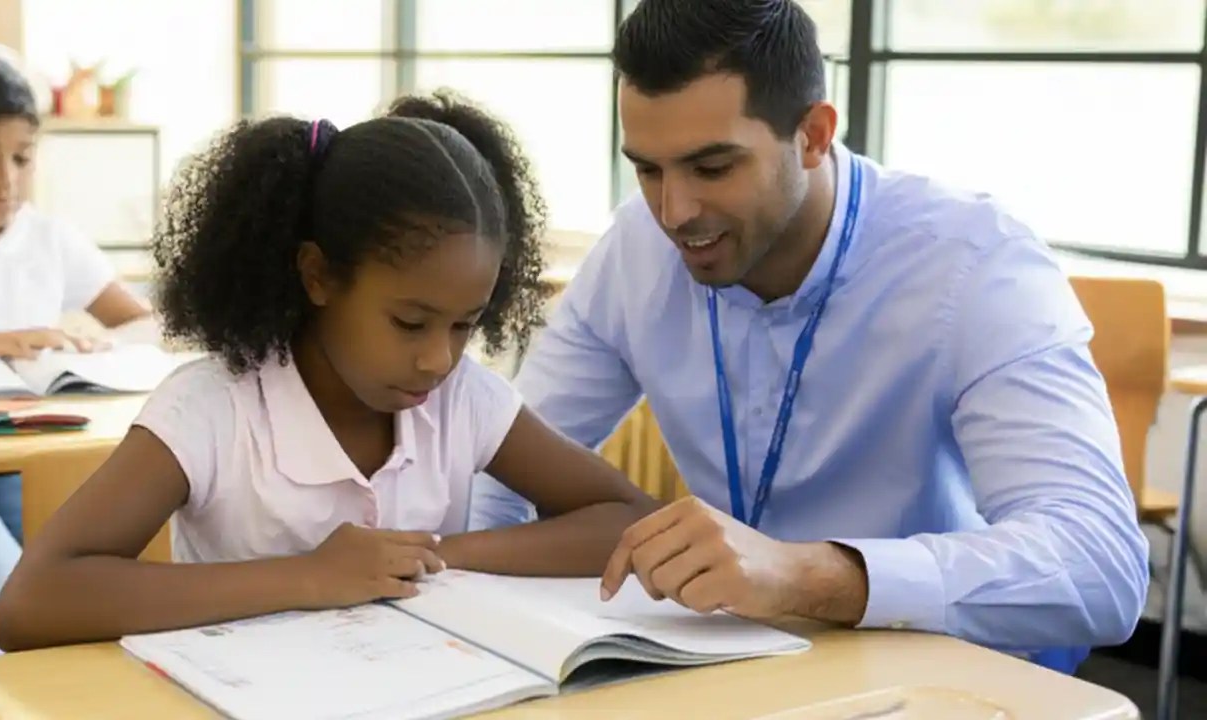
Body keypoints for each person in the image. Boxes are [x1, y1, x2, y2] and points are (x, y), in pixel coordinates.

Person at [469, 0, 1148, 674]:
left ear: (815, 135)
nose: (674, 213)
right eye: (648, 169)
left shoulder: (974, 262)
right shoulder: (634, 252)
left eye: (712, 168)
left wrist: (807, 574)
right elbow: (499, 463)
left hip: (942, 662)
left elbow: (1101, 564)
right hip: (741, 653)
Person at [0, 90, 659, 651]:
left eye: (465, 325)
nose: (439, 358)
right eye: (410, 322)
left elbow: (627, 519)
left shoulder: (461, 399)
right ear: (318, 276)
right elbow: (31, 603)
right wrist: (308, 576)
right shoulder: (212, 408)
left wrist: (435, 556)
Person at [0, 53, 153, 544]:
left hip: (36, 447)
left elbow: (141, 322)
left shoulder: (50, 240)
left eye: (22, 157)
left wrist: (97, 347)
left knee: (83, 544)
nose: (5, 180)